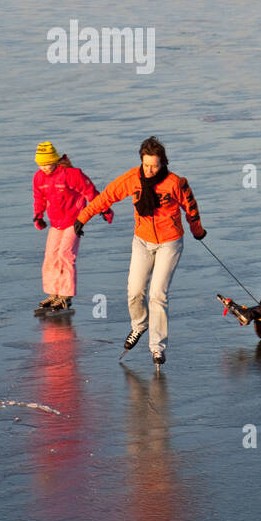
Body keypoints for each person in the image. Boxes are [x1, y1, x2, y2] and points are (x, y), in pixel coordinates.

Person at [74, 136, 205, 367]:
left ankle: (157, 347)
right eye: (146, 165)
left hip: (170, 243)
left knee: (157, 294)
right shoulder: (132, 178)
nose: (150, 169)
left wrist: (197, 230)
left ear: (163, 162)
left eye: (154, 165)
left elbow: (191, 208)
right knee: (135, 291)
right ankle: (139, 325)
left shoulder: (176, 182)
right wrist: (82, 218)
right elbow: (106, 196)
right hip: (142, 241)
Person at [32, 141, 111, 314]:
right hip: (56, 223)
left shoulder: (71, 174)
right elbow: (39, 198)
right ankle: (54, 294)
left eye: (47, 163)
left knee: (65, 255)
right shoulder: (39, 177)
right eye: (41, 164)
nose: (44, 167)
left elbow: (90, 191)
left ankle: (65, 297)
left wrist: (104, 209)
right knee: (50, 257)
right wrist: (38, 215)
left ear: (55, 160)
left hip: (74, 221)